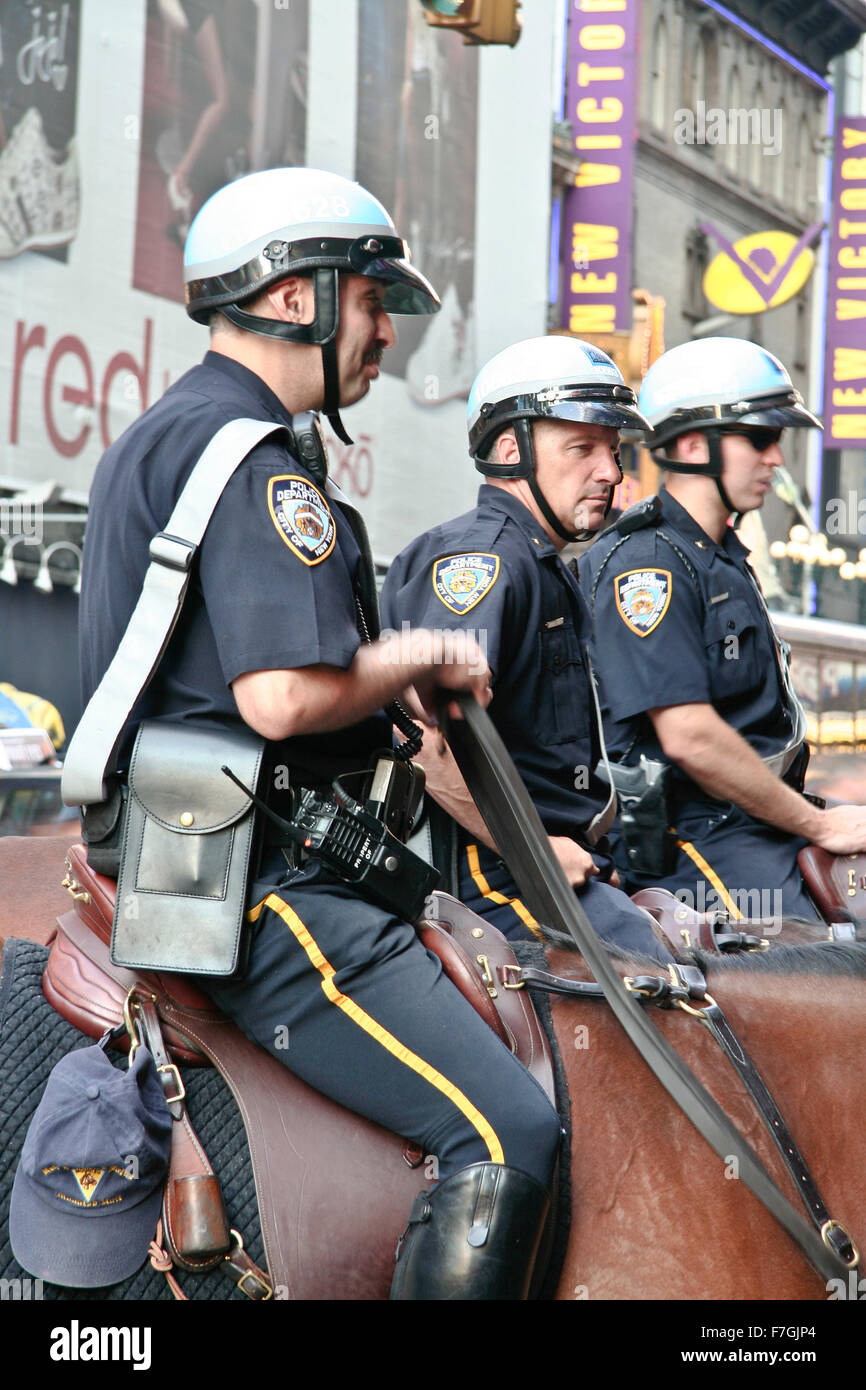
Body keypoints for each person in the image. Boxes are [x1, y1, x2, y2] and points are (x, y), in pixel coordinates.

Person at [77, 167, 561, 1300]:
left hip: (241, 855)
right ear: (297, 296)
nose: (385, 330)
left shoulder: (186, 431)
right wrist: (421, 655)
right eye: (371, 298)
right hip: (269, 886)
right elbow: (282, 698)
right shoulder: (250, 458)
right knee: (507, 1138)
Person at [380, 335, 672, 962]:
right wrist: (534, 849)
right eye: (583, 448)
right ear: (510, 450)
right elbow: (425, 745)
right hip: (486, 876)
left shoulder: (544, 561)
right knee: (667, 984)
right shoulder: (484, 559)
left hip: (553, 858)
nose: (611, 472)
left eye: (614, 450)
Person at [578, 337, 866, 921]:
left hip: (754, 819)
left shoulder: (718, 555)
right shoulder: (649, 564)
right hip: (691, 839)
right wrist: (818, 824)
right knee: (829, 976)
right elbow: (688, 736)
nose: (776, 459)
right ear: (691, 443)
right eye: (759, 438)